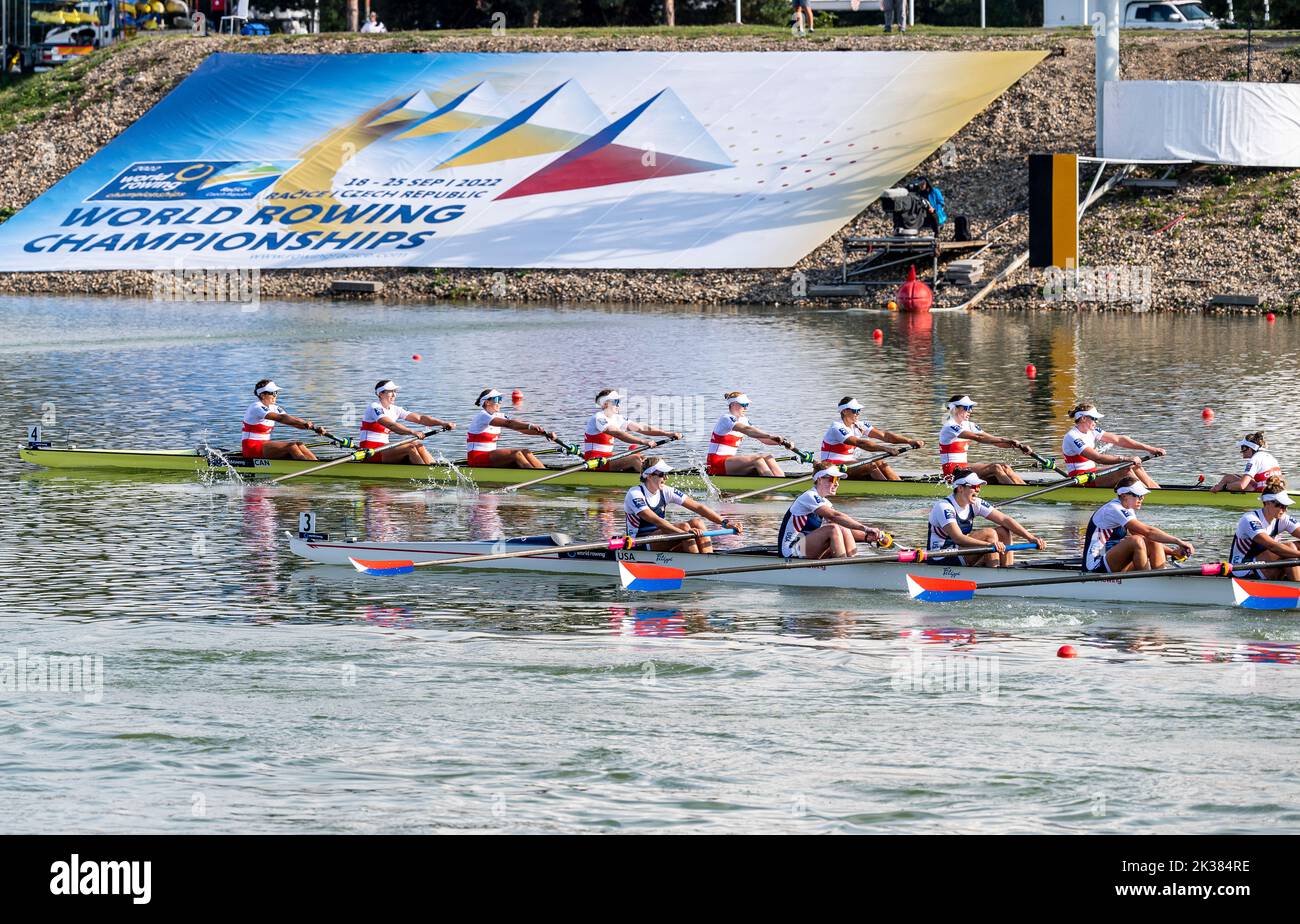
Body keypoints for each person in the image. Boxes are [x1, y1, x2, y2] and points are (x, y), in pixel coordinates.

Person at [926, 469, 1044, 568]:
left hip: (961, 552)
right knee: (989, 534)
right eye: (974, 486)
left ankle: (1006, 568)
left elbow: (1005, 519)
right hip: (941, 557)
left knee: (1003, 531)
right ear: (960, 488)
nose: (978, 489)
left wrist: (1031, 538)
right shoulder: (944, 507)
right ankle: (993, 574)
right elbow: (959, 538)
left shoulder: (975, 503)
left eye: (979, 486)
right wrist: (989, 545)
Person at [624, 458, 739, 554]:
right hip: (639, 543)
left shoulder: (666, 491)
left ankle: (708, 557)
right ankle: (698, 563)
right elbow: (657, 521)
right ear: (649, 476)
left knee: (697, 523)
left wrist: (726, 523)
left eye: (666, 474)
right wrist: (683, 533)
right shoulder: (635, 494)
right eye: (662, 474)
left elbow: (699, 508)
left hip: (662, 537)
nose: (666, 478)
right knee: (684, 527)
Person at [1083, 476, 1195, 573]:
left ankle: (1160, 576)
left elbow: (1146, 538)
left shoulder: (1127, 508)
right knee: (1136, 540)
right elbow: (1149, 532)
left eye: (1142, 495)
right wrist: (1178, 541)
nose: (1142, 498)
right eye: (1138, 495)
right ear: (1124, 495)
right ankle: (1146, 581)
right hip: (1096, 564)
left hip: (1113, 561)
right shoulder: (1114, 509)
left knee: (1151, 540)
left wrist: (1172, 552)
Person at [779, 466, 887, 560]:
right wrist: (866, 528)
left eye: (838, 479)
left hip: (806, 546)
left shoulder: (825, 502)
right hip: (791, 550)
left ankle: (851, 561)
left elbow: (843, 525)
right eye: (833, 479)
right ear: (820, 479)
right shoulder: (809, 496)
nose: (837, 484)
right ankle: (843, 566)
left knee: (842, 527)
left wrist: (867, 536)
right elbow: (835, 516)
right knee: (832, 528)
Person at [1061, 400, 1164, 489]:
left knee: (1133, 465)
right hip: (1080, 479)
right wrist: (1125, 458)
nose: (1096, 421)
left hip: (1091, 473)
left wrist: (1150, 449)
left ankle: (1156, 490)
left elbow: (1119, 440)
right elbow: (1098, 458)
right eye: (1094, 418)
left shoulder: (1092, 430)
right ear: (1083, 418)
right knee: (1125, 471)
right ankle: (1144, 493)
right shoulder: (1073, 437)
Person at [818, 396, 924, 481]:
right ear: (844, 411)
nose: (858, 413)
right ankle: (889, 490)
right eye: (855, 410)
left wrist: (909, 441)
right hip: (831, 466)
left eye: (859, 410)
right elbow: (860, 443)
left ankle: (898, 484)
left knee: (880, 462)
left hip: (849, 464)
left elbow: (885, 436)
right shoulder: (837, 427)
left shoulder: (860, 425)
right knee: (870, 465)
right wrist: (886, 449)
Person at [938, 394, 1035, 485]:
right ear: (955, 408)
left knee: (1005, 467)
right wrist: (1007, 441)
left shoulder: (970, 425)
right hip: (952, 473)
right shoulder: (949, 426)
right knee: (995, 467)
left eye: (971, 407)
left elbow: (996, 442)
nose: (970, 411)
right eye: (967, 408)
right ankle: (1015, 492)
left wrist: (1019, 446)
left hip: (964, 468)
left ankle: (1024, 488)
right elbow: (979, 438)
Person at [580, 389, 681, 473]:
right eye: (616, 402)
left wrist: (667, 434)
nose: (619, 405)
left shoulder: (617, 418)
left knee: (637, 452)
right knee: (634, 459)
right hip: (595, 462)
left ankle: (651, 473)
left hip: (607, 459)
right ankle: (652, 478)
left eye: (619, 402)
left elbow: (641, 428)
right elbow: (618, 434)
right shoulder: (599, 418)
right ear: (606, 404)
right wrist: (643, 441)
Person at [358, 380, 455, 465]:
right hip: (369, 452)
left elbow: (420, 419)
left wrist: (443, 423)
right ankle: (424, 474)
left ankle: (433, 468)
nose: (394, 395)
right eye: (391, 391)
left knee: (417, 444)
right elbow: (391, 425)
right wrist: (413, 432)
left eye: (395, 391)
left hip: (384, 449)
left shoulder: (395, 409)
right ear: (380, 394)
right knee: (410, 447)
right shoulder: (374, 407)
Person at [706, 392, 799, 478]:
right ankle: (773, 484)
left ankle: (781, 480)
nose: (746, 408)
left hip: (729, 463)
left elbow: (763, 439)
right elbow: (747, 430)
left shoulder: (744, 420)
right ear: (733, 404)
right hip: (716, 464)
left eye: (747, 405)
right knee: (757, 460)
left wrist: (783, 442)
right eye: (743, 405)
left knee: (768, 457)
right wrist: (770, 436)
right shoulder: (726, 419)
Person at [466, 388, 558, 469]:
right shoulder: (483, 416)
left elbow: (521, 429)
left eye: (500, 399)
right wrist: (530, 425)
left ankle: (544, 473)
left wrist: (544, 434)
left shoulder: (499, 416)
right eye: (497, 399)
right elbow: (509, 423)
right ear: (487, 402)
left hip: (491, 457)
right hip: (476, 458)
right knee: (516, 454)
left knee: (526, 452)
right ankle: (536, 476)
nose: (500, 402)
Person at [1230, 477, 1300, 580]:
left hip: (1265, 565)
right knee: (1290, 547)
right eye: (1280, 505)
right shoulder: (1250, 519)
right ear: (1267, 503)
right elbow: (1272, 546)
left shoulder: (1283, 518)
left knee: (1298, 545)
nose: (1284, 510)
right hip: (1243, 568)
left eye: (1286, 506)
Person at [241, 379, 325, 461]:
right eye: (273, 393)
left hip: (265, 446)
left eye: (276, 392)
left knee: (299, 444)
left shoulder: (275, 408)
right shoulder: (256, 407)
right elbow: (281, 418)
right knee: (291, 446)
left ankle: (316, 464)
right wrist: (305, 422)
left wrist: (314, 428)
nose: (275, 395)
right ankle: (306, 467)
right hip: (252, 447)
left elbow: (294, 423)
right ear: (262, 395)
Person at [1210, 432, 1284, 493]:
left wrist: (1224, 487)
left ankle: (1217, 490)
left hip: (1265, 493)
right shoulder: (1271, 457)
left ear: (1249, 448)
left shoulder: (1254, 459)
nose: (1241, 451)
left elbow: (1242, 485)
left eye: (1243, 448)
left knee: (1228, 477)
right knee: (1237, 477)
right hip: (1279, 490)